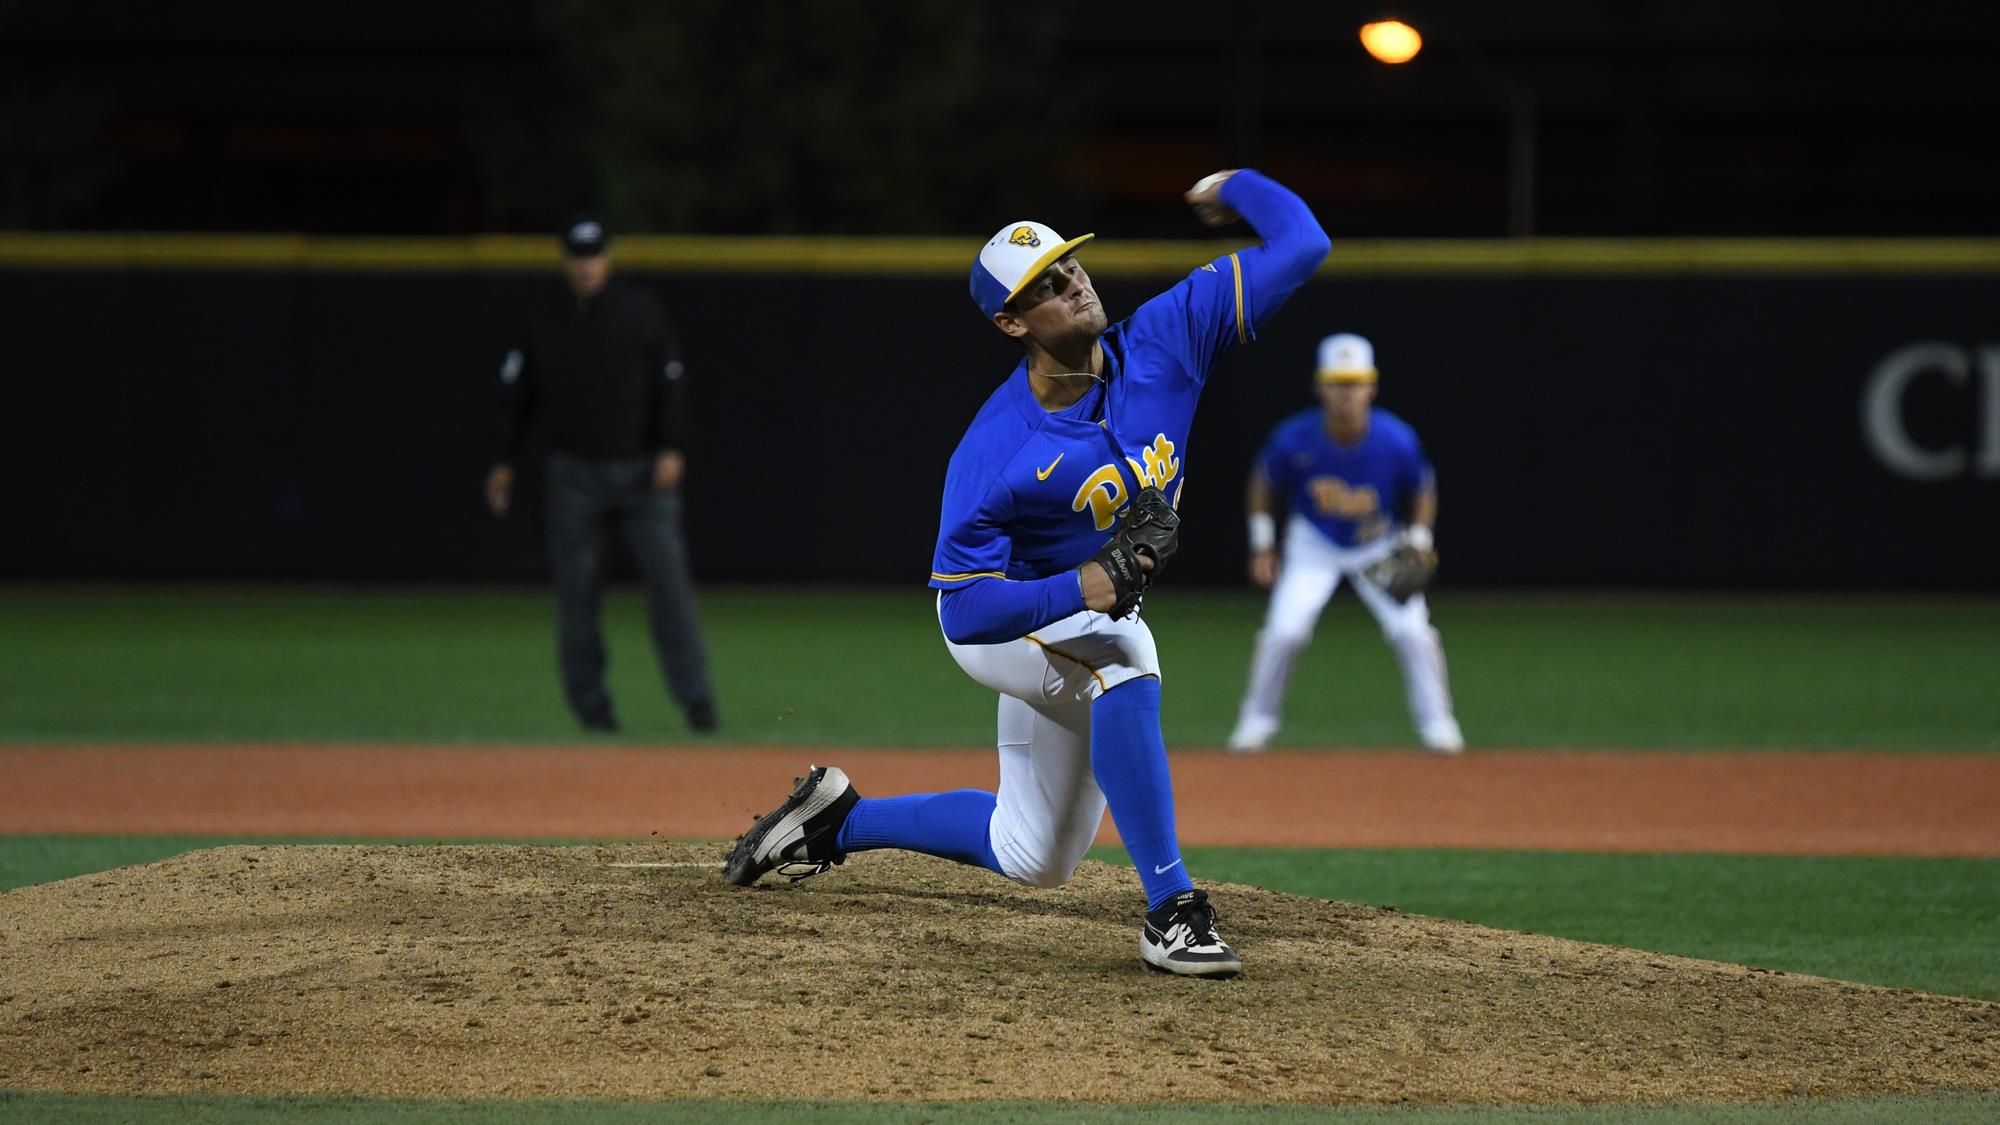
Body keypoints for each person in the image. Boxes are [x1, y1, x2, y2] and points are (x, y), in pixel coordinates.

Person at [723, 170, 1330, 979]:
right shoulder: (996, 450)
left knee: (1034, 852)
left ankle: (837, 821)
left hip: (1078, 614)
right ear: (1012, 322)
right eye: (1043, 287)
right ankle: (1172, 910)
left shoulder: (1169, 336)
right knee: (1124, 655)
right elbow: (966, 609)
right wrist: (1087, 587)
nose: (1071, 285)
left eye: (1070, 266)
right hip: (1005, 620)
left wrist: (1237, 185)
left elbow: (1303, 244)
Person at [485, 218, 718, 735]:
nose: (587, 265)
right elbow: (515, 397)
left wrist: (673, 444)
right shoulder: (544, 317)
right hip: (574, 476)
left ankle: (697, 700)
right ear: (565, 260)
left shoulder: (640, 310)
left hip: (642, 475)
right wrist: (503, 459)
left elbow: (671, 381)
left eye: (594, 255)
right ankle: (591, 707)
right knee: (576, 595)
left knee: (670, 587)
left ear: (607, 258)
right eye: (578, 255)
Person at [1226, 332, 1464, 754]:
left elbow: (1423, 487)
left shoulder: (1396, 439)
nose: (1346, 393)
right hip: (1313, 543)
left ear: (1370, 386)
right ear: (1321, 385)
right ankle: (1256, 722)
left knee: (1413, 632)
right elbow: (1263, 483)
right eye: (1338, 382)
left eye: (1354, 382)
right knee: (1285, 632)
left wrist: (1420, 534)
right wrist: (1263, 543)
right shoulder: (1294, 438)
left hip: (1377, 541)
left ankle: (1438, 726)